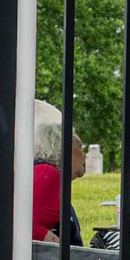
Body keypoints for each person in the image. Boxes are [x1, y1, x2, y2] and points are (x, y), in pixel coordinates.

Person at [30, 100, 85, 247]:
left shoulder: (47, 174)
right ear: (62, 149)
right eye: (79, 147)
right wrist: (67, 257)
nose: (84, 154)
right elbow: (26, 226)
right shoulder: (47, 174)